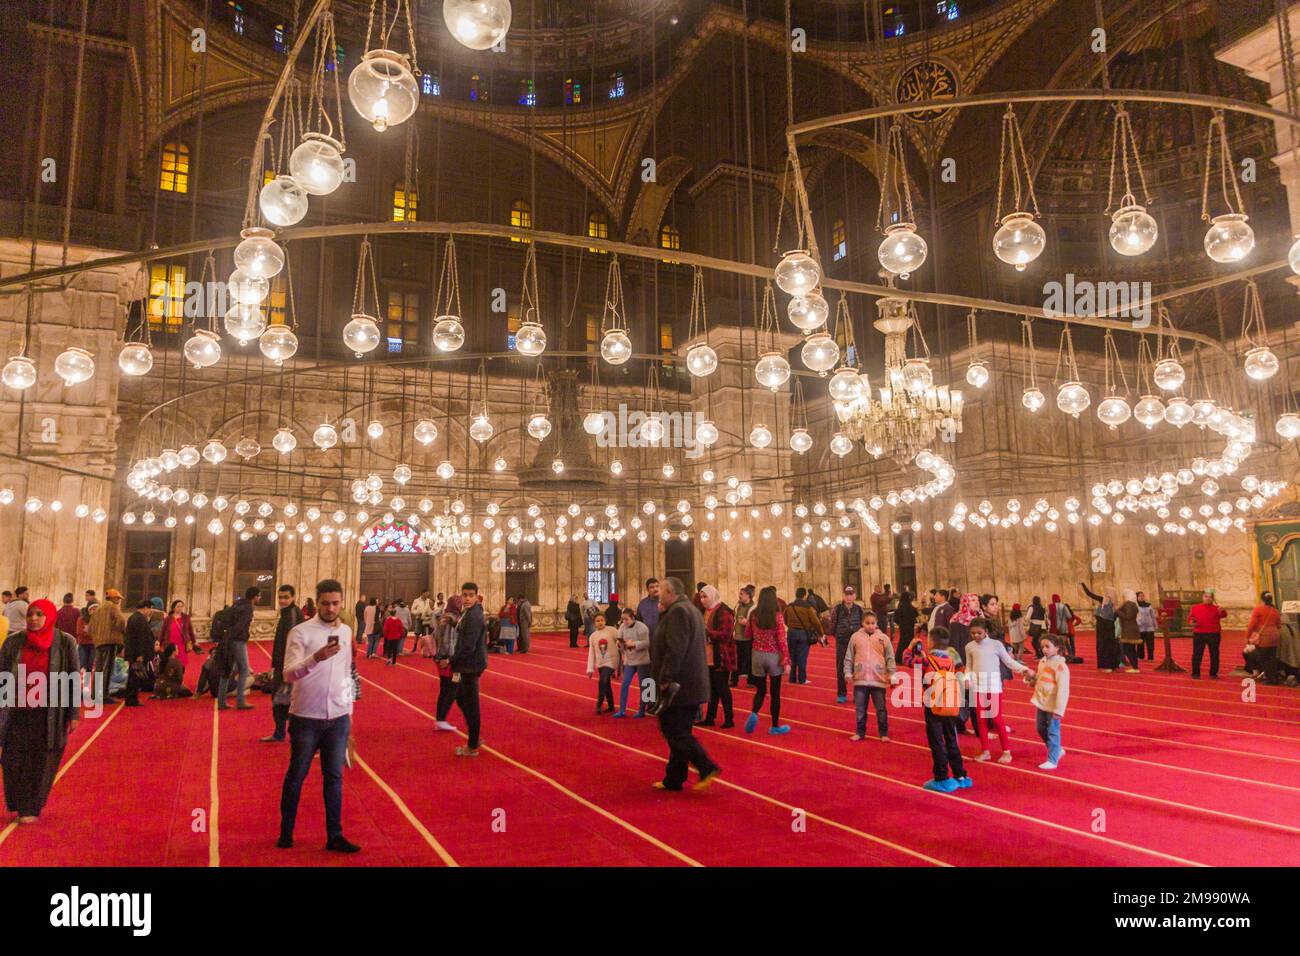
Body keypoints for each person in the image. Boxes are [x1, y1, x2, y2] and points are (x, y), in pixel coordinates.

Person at [277, 579, 359, 853]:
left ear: (341, 602)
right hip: (305, 717)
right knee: (297, 775)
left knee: (334, 777)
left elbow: (347, 673)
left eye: (335, 603)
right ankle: (286, 832)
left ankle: (334, 835)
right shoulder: (301, 632)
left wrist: (349, 716)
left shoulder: (346, 632)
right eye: (325, 603)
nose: (331, 608)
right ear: (317, 602)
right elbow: (288, 674)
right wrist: (316, 658)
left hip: (337, 718)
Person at [0, 599, 79, 823]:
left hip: (47, 714)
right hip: (15, 712)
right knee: (11, 759)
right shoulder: (14, 642)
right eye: (30, 614)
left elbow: (73, 678)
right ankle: (17, 800)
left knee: (39, 760)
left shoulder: (65, 642)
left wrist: (73, 714)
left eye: (39, 614)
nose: (34, 618)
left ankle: (30, 807)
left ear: (49, 617)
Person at [650, 577, 720, 792]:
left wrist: (665, 678)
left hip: (680, 684)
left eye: (660, 590)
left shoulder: (679, 612)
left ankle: (706, 766)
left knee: (674, 730)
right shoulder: (686, 609)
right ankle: (674, 778)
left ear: (670, 592)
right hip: (689, 682)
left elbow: (676, 649)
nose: (657, 594)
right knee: (679, 730)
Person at [903, 626, 971, 793]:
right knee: (951, 739)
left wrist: (910, 647)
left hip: (933, 706)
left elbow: (906, 661)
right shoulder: (950, 661)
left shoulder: (927, 661)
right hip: (949, 703)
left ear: (931, 642)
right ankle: (960, 775)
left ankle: (941, 777)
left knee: (937, 741)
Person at [965, 616, 1031, 763]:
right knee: (981, 720)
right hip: (978, 687)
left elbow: (1009, 661)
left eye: (979, 633)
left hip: (994, 687)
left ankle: (1006, 751)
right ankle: (985, 751)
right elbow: (969, 666)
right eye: (973, 633)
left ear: (986, 631)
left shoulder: (996, 645)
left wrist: (1023, 669)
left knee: (996, 719)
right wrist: (967, 679)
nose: (976, 636)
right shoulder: (969, 646)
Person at [743, 585, 791, 735]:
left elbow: (747, 634)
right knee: (775, 693)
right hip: (773, 656)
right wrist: (787, 661)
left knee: (760, 691)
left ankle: (754, 713)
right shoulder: (777, 616)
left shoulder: (753, 615)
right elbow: (782, 640)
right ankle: (775, 726)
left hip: (757, 655)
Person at [844, 609, 896, 742]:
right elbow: (849, 656)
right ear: (862, 623)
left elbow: (890, 657)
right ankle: (860, 732)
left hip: (878, 680)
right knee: (860, 709)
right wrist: (848, 672)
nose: (870, 626)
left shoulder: (883, 638)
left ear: (877, 623)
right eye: (867, 623)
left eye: (873, 623)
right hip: (860, 680)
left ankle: (883, 733)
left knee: (881, 709)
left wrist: (892, 674)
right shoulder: (855, 637)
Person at [449, 583, 487, 757]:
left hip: (470, 665)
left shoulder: (474, 615)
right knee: (460, 698)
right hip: (467, 664)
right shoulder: (468, 613)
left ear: (476, 596)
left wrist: (451, 661)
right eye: (464, 595)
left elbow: (468, 646)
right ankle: (474, 734)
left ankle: (472, 745)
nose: (467, 598)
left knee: (471, 704)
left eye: (471, 595)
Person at [263, 585, 303, 742]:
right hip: (282, 665)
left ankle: (297, 736)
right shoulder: (286, 613)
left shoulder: (292, 614)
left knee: (289, 703)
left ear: (293, 597)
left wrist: (288, 669)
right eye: (280, 597)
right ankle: (279, 733)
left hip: (289, 667)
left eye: (286, 597)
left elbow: (292, 644)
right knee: (280, 700)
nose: (282, 600)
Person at [1025, 634, 1070, 770]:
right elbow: (1040, 678)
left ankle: (1053, 759)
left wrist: (1059, 710)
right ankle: (1057, 749)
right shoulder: (1043, 661)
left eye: (1047, 646)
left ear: (1057, 648)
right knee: (1040, 728)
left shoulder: (1060, 666)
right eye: (1042, 646)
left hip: (1053, 705)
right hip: (1041, 702)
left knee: (1053, 731)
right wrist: (1031, 680)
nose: (1044, 649)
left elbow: (1063, 690)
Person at [698, 585, 735, 728]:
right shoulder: (706, 611)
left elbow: (726, 634)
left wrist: (708, 633)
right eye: (701, 597)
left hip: (721, 655)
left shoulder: (723, 611)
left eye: (705, 596)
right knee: (712, 689)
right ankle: (710, 718)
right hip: (708, 656)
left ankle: (729, 719)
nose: (702, 600)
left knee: (722, 688)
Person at [218, 586, 257, 710]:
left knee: (227, 670)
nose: (260, 598)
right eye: (259, 596)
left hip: (228, 640)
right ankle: (240, 701)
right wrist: (241, 637)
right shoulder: (248, 608)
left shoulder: (237, 604)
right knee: (244, 670)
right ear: (255, 596)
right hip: (238, 641)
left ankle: (221, 702)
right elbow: (241, 626)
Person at [88, 588, 126, 702]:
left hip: (98, 643)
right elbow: (121, 621)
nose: (119, 601)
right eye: (118, 598)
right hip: (110, 642)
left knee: (98, 669)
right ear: (113, 598)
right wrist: (121, 633)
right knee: (107, 669)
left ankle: (94, 694)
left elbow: (90, 628)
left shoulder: (98, 609)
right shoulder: (112, 607)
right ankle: (104, 696)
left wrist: (96, 637)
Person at [829, 585, 864, 704]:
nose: (849, 596)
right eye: (847, 594)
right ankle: (842, 694)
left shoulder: (859, 609)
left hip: (856, 642)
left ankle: (857, 694)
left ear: (854, 596)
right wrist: (838, 635)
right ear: (843, 596)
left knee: (857, 668)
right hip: (842, 642)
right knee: (841, 668)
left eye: (851, 594)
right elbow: (833, 624)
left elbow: (863, 624)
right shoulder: (837, 609)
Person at [433, 594, 463, 731]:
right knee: (451, 690)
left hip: (440, 658)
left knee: (445, 688)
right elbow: (448, 641)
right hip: (448, 659)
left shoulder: (443, 617)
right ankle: (441, 719)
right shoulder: (452, 619)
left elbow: (436, 636)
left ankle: (440, 719)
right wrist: (450, 658)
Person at [614, 607, 651, 718]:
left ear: (633, 618)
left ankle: (642, 710)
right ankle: (622, 710)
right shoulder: (622, 627)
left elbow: (647, 643)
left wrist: (634, 644)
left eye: (627, 619)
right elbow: (620, 641)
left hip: (642, 660)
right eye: (623, 619)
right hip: (629, 660)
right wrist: (619, 644)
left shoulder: (642, 627)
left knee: (645, 685)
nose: (624, 622)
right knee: (625, 684)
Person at [783, 587, 822, 684]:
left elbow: (785, 620)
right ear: (804, 595)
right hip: (803, 634)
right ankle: (802, 678)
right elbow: (816, 622)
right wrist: (821, 633)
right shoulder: (807, 607)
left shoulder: (789, 606)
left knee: (792, 656)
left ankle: (792, 678)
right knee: (802, 657)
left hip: (791, 633)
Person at [1243, 591, 1282, 684]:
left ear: (1262, 600)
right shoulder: (1275, 610)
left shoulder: (1258, 610)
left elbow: (1251, 625)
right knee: (1271, 658)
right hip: (1274, 636)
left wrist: (1247, 637)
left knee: (1264, 659)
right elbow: (1279, 625)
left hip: (1264, 637)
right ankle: (1274, 677)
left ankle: (1270, 679)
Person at [122, 600, 156, 708]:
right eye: (150, 608)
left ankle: (131, 698)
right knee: (135, 676)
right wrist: (140, 654)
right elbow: (139, 638)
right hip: (137, 654)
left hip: (134, 653)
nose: (150, 611)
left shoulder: (135, 617)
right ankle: (132, 699)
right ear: (145, 607)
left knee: (134, 676)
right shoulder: (139, 619)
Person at [1188, 588, 1227, 679]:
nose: (1208, 598)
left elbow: (1224, 615)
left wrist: (1223, 610)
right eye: (1206, 596)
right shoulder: (1195, 608)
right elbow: (1190, 619)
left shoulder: (1217, 608)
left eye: (1210, 597)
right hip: (1199, 634)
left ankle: (1213, 674)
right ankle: (1195, 673)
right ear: (1202, 597)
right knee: (1197, 654)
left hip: (1214, 634)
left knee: (1214, 655)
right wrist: (1192, 622)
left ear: (1212, 599)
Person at [586, 612, 620, 714]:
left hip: (612, 661)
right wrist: (590, 669)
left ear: (605, 621)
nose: (600, 622)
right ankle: (611, 706)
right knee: (606, 684)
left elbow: (620, 642)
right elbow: (591, 653)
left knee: (603, 680)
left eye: (602, 620)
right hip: (601, 663)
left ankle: (599, 704)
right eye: (597, 621)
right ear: (594, 623)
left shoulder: (612, 631)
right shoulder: (592, 636)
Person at [1080, 582, 1119, 671]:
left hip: (1105, 626)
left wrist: (1083, 584)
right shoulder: (1109, 602)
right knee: (1105, 646)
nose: (1104, 593)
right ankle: (1107, 665)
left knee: (1106, 646)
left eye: (1106, 591)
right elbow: (1090, 594)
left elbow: (1089, 594)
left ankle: (1108, 666)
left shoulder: (1109, 602)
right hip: (1105, 626)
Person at [159, 600, 197, 669]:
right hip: (170, 643)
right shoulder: (168, 618)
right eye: (178, 606)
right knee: (170, 661)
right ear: (173, 608)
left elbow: (190, 630)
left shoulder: (186, 617)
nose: (180, 608)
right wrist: (160, 642)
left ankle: (180, 677)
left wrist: (194, 641)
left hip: (182, 644)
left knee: (182, 662)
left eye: (181, 606)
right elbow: (163, 631)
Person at [731, 585, 755, 687]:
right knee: (736, 659)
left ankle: (751, 681)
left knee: (750, 660)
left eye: (742, 594)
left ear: (748, 595)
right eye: (739, 593)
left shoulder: (754, 608)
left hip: (748, 638)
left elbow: (757, 623)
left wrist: (747, 623)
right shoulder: (737, 606)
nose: (739, 596)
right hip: (737, 637)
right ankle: (734, 680)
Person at [1046, 593, 1078, 660]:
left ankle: (1056, 655)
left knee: (1055, 642)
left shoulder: (1050, 606)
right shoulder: (1064, 606)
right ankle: (1064, 656)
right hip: (1063, 627)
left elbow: (1049, 616)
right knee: (1063, 642)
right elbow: (1069, 616)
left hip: (1054, 627)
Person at [1115, 590, 1141, 673]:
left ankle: (1135, 667)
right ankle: (1135, 666)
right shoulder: (1133, 604)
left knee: (1128, 649)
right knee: (1131, 649)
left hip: (1129, 630)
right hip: (1130, 629)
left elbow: (1128, 616)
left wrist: (1117, 611)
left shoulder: (1129, 604)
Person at [893, 590, 918, 663]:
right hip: (910, 628)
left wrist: (900, 624)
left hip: (903, 628)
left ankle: (899, 658)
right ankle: (910, 658)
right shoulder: (910, 607)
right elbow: (916, 614)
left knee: (902, 643)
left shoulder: (900, 606)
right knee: (910, 643)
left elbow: (896, 618)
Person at [1135, 591, 1158, 662]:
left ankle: (1150, 657)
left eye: (1142, 596)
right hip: (1140, 627)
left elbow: (1153, 616)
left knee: (1150, 643)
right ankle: (1140, 656)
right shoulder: (1135, 605)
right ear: (1137, 597)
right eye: (1140, 596)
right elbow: (1134, 616)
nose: (1141, 597)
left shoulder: (1149, 605)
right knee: (1140, 643)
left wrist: (1155, 625)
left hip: (1149, 627)